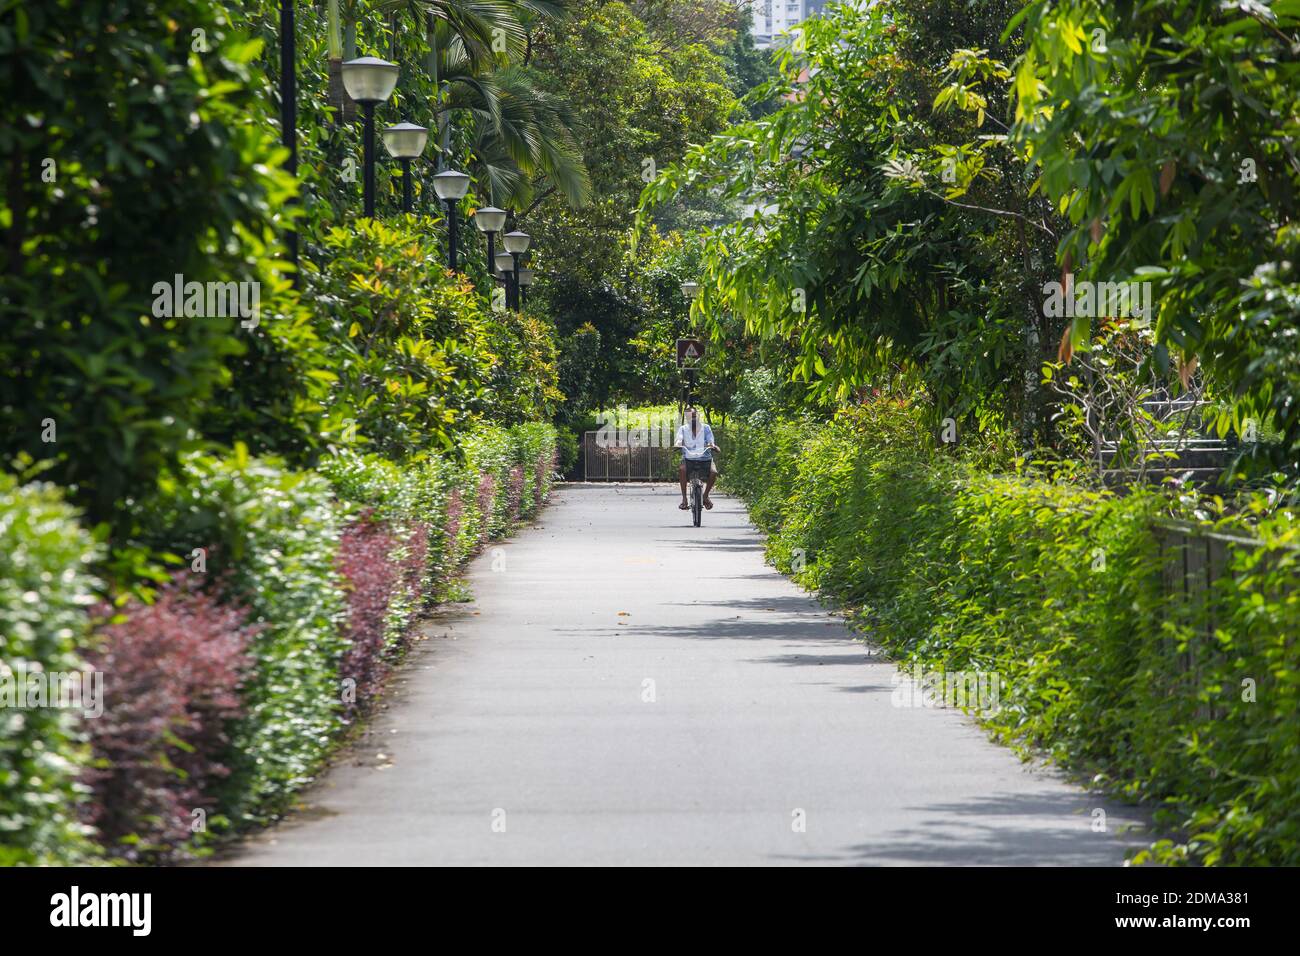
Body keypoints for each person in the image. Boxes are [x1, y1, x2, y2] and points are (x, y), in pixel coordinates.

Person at [674, 406, 719, 510]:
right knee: (682, 469)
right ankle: (684, 499)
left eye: (694, 416)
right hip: (688, 458)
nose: (693, 418)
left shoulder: (706, 428)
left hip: (705, 458)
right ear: (687, 418)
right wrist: (678, 444)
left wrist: (712, 445)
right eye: (690, 417)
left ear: (698, 416)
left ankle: (705, 495)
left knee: (714, 472)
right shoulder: (683, 429)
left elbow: (710, 440)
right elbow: (679, 439)